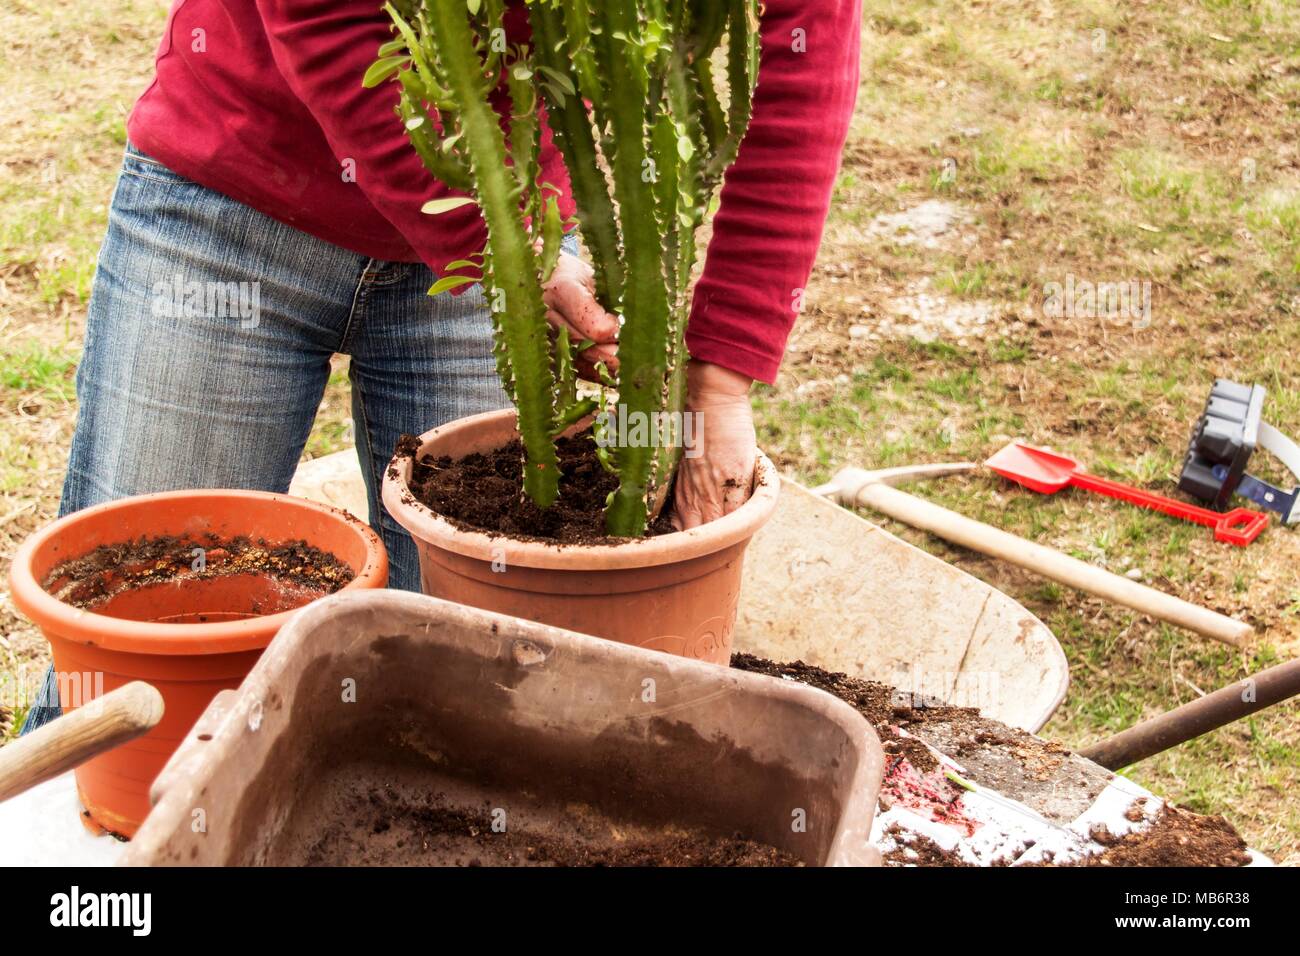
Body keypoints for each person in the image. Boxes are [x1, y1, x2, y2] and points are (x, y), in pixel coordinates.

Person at [22, 0, 861, 731]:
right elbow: (322, 15)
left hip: (508, 213)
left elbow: (808, 38)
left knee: (475, 683)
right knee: (134, 643)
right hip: (238, 196)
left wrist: (722, 371)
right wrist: (499, 247)